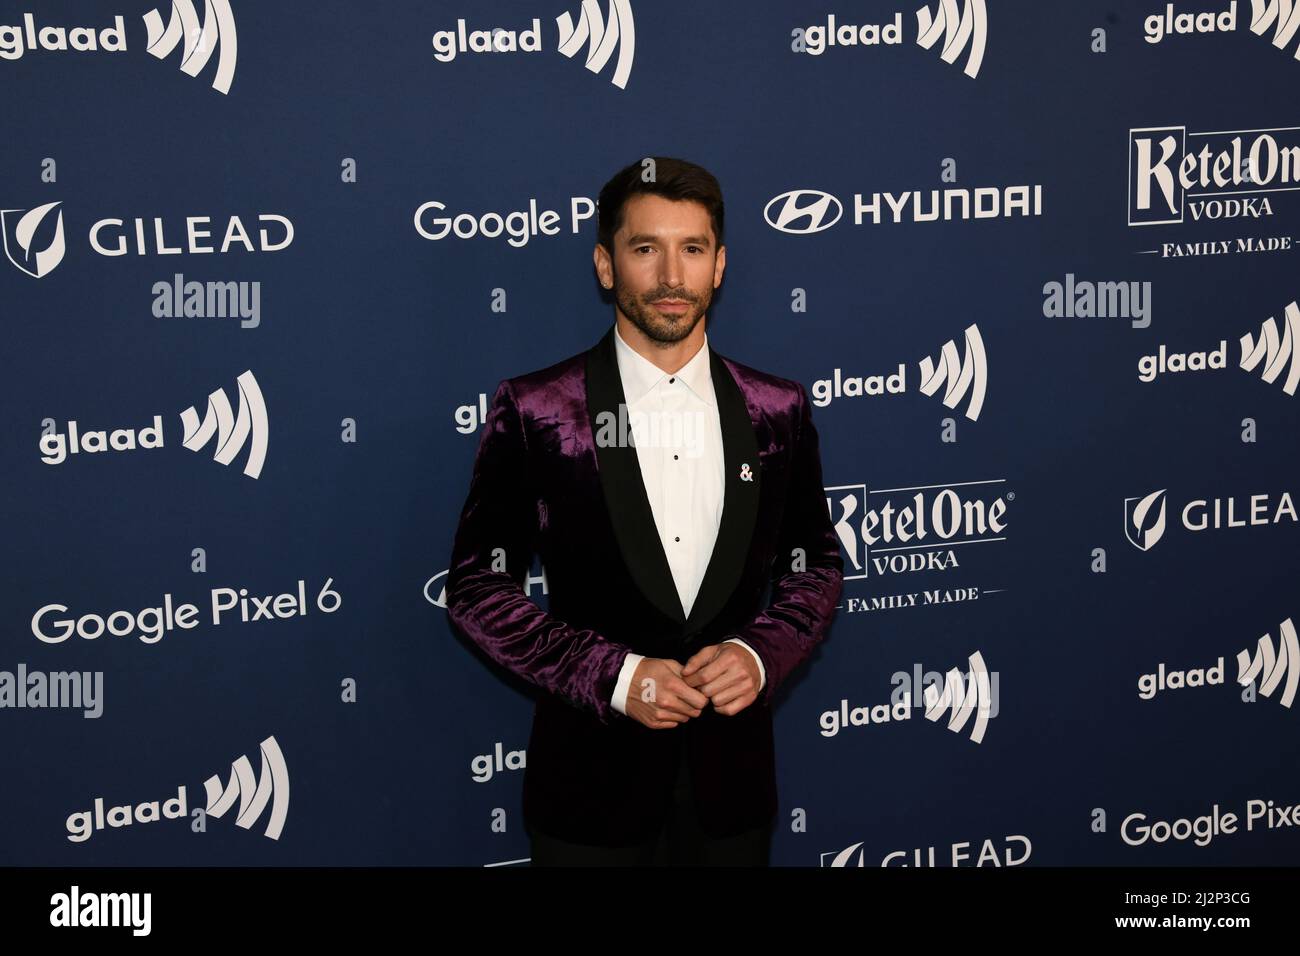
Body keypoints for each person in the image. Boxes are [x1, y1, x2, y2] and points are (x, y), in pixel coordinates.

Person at [445, 156, 843, 866]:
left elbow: (813, 567)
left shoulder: (777, 409)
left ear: (719, 266)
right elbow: (477, 588)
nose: (670, 276)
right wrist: (618, 678)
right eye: (644, 248)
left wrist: (760, 653)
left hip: (733, 798)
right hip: (588, 801)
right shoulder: (538, 409)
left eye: (692, 249)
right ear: (606, 266)